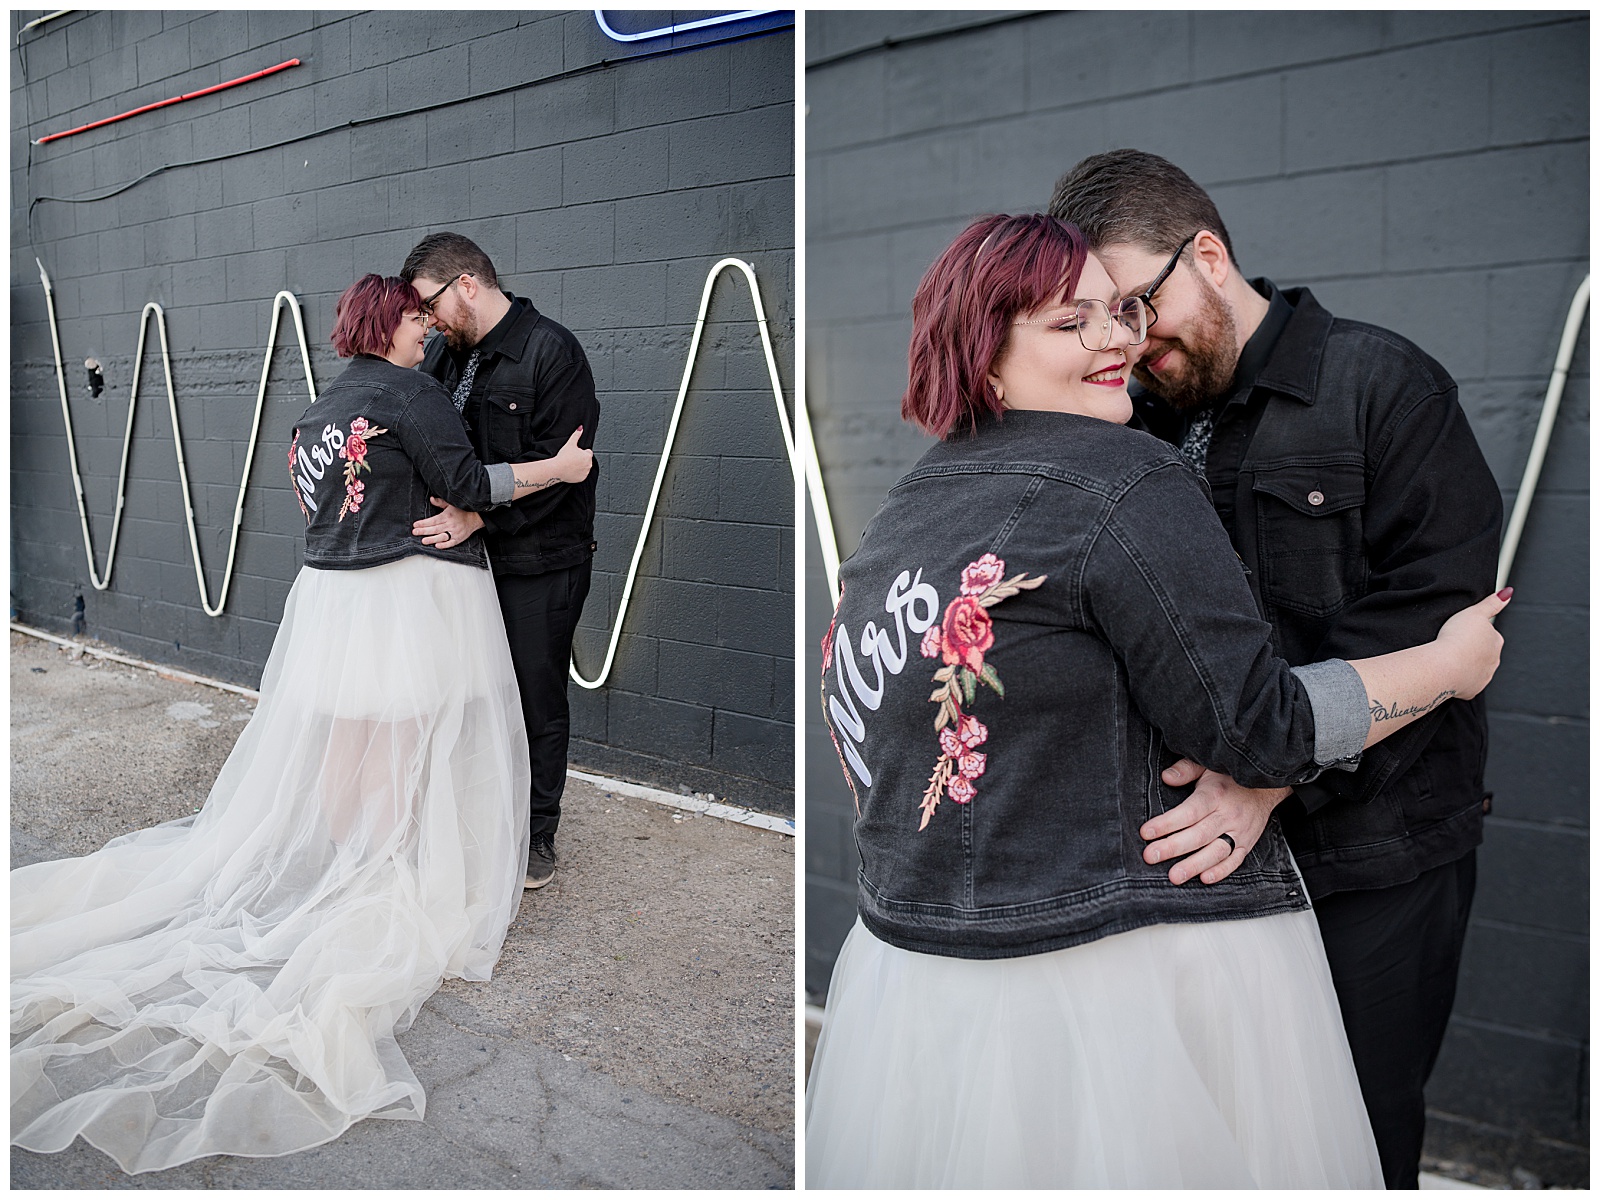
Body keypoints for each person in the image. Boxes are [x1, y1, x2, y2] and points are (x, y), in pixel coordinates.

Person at [804, 214, 1508, 1188]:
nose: (1117, 339)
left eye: (1121, 310)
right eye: (1068, 323)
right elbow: (1254, 731)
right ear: (984, 356)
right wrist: (1450, 667)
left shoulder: (906, 508)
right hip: (1121, 951)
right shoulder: (1123, 468)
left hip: (924, 971)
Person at [11, 275, 593, 1174]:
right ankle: (375, 877)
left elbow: (330, 504)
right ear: (389, 324)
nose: (424, 329)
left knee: (349, 738)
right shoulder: (413, 393)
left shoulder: (320, 411)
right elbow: (468, 480)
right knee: (403, 738)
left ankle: (339, 862)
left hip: (329, 604)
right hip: (404, 595)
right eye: (413, 318)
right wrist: (557, 469)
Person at [1049, 150, 1503, 1189]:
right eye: (1099, 317)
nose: (1126, 339)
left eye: (1136, 306)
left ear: (1206, 255)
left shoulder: (1382, 385)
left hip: (1374, 853)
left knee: (1354, 1130)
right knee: (1217, 1135)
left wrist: (1263, 773)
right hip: (1199, 856)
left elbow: (1434, 628)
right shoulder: (1127, 422)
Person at [399, 232, 599, 892]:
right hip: (470, 564)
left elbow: (563, 471)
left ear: (465, 285)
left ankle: (538, 834)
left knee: (535, 698)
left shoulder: (551, 352)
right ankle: (485, 816)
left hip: (541, 559)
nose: (426, 322)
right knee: (474, 697)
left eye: (428, 305)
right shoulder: (448, 360)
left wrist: (479, 516)